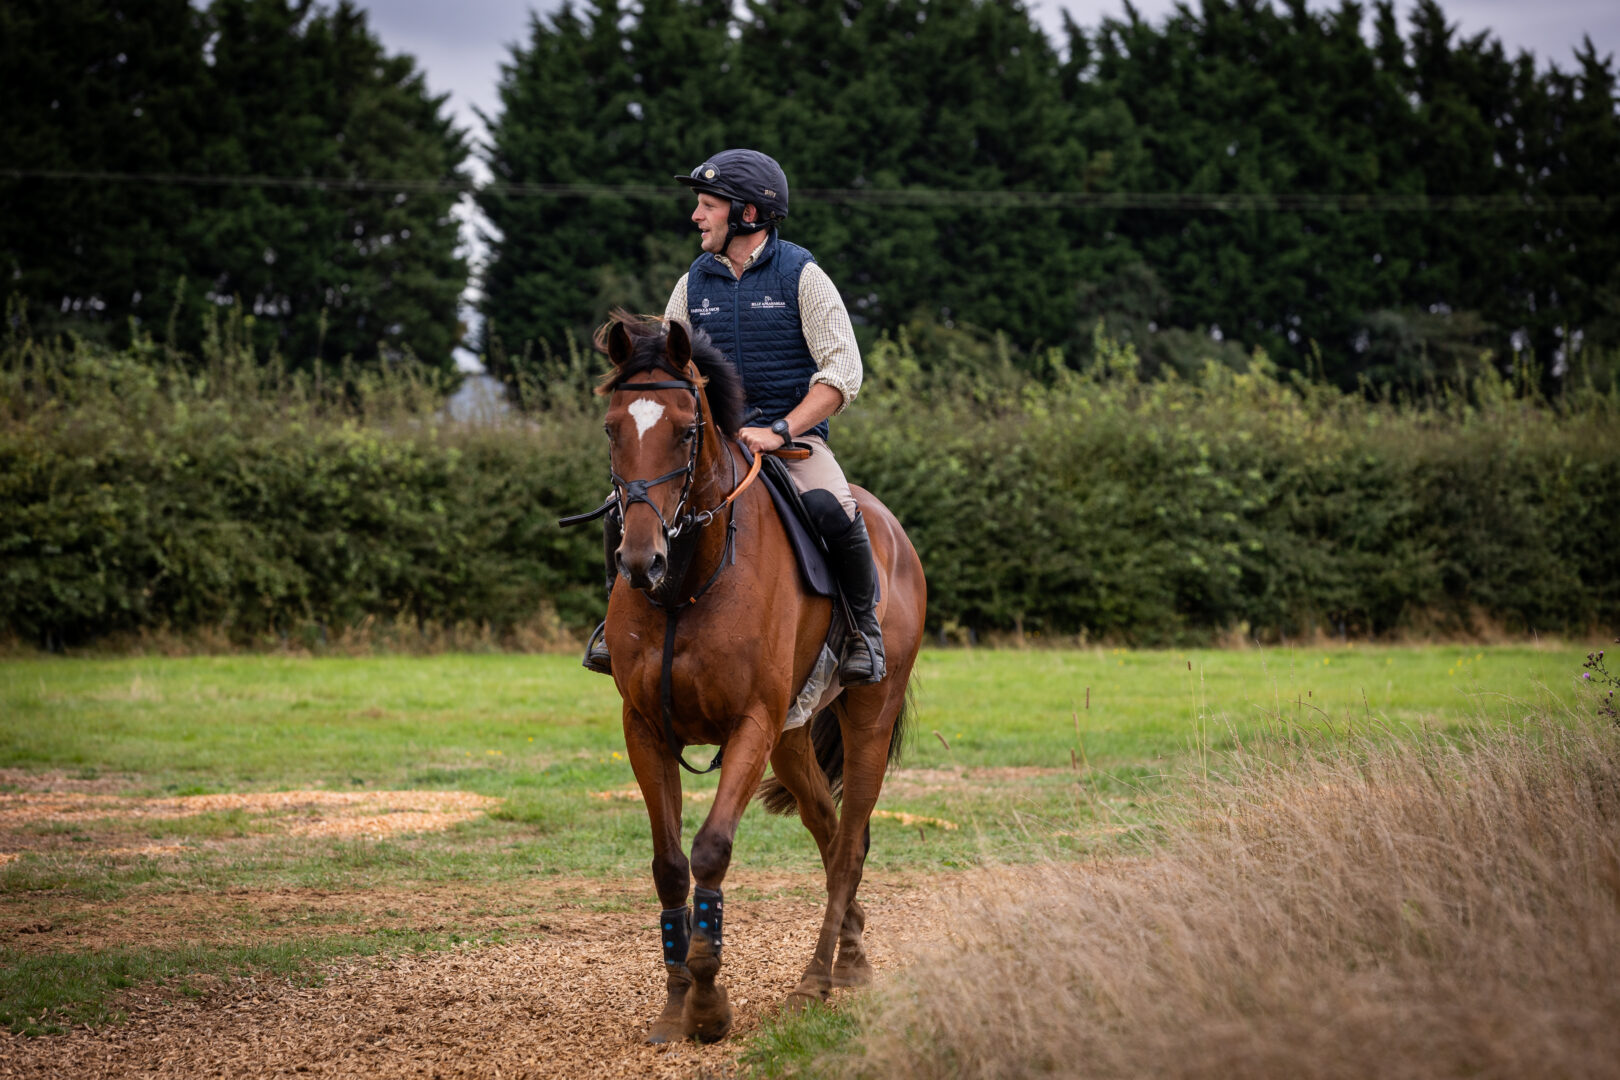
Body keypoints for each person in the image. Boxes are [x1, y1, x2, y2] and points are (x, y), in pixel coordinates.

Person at [583, 148, 886, 686]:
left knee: (834, 509)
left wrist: (781, 430)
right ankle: (615, 628)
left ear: (747, 213)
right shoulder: (691, 285)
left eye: (706, 206)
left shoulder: (803, 276)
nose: (695, 216)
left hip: (793, 445)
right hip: (711, 446)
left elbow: (843, 372)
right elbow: (667, 372)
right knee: (620, 507)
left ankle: (864, 633)